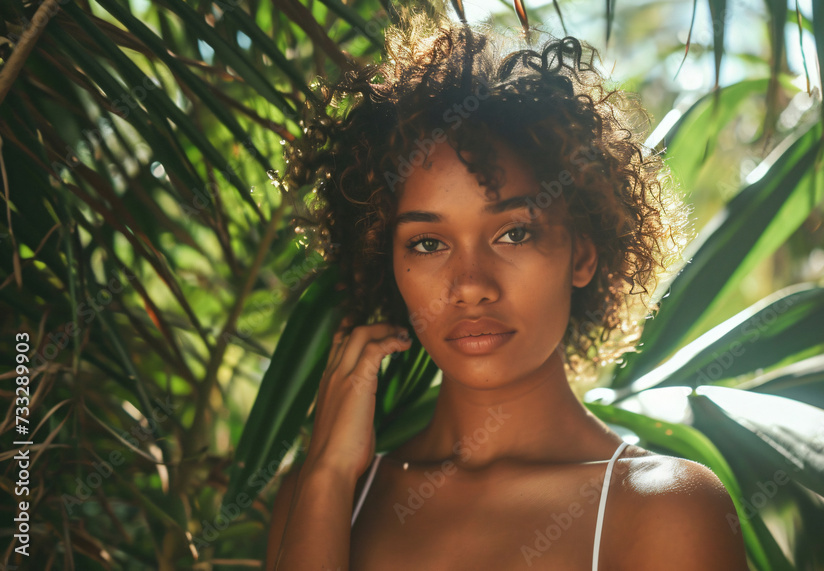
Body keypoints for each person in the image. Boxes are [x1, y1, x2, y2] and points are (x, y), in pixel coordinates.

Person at [266, 8, 748, 569]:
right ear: (386, 262)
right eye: (427, 243)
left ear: (583, 255)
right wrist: (325, 477)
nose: (470, 285)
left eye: (514, 233)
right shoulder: (325, 497)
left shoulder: (664, 507)